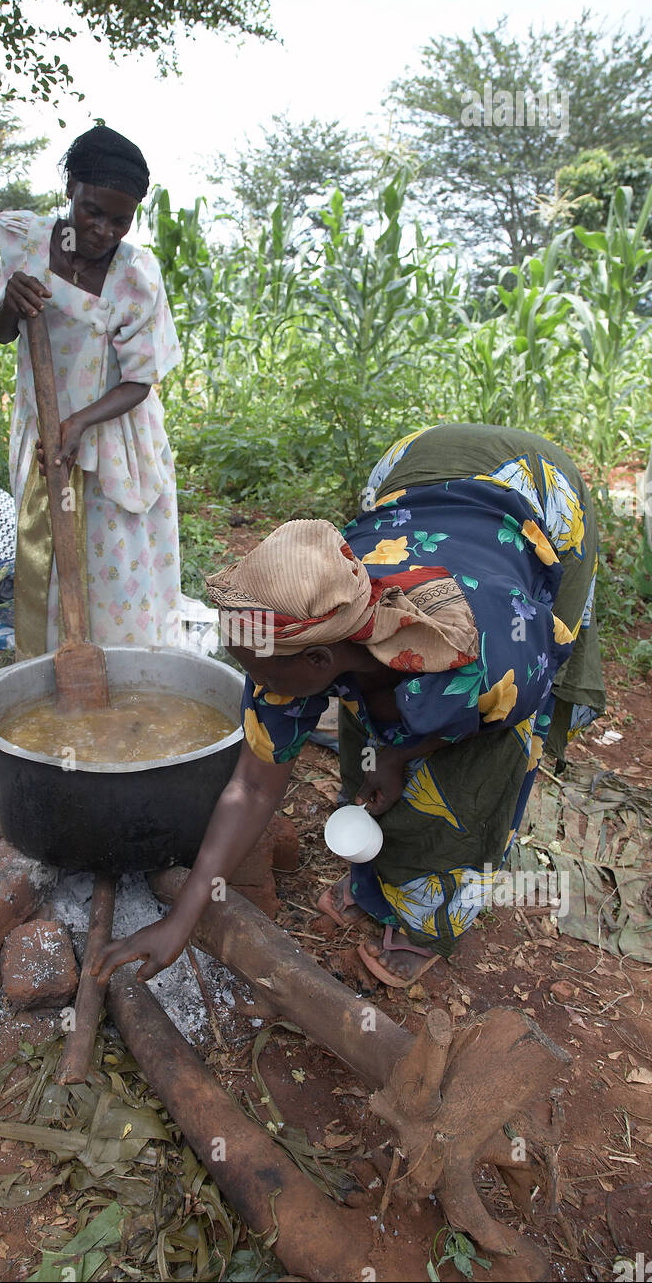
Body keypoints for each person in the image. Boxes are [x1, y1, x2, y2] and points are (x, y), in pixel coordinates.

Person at [93, 423, 606, 989]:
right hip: (414, 467)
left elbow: (493, 717)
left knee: (471, 778)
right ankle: (374, 882)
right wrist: (180, 918)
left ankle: (428, 917)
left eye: (258, 669)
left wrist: (415, 750)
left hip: (538, 494)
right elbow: (252, 785)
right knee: (373, 746)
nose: (255, 683)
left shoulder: (494, 657)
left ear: (317, 661)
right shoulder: (293, 626)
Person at [0, 125, 182, 657]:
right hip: (43, 423)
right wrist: (10, 302)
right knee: (53, 549)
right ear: (70, 187)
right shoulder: (27, 242)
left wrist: (79, 424)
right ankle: (55, 656)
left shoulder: (136, 274)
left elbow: (140, 380)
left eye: (122, 219)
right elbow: (3, 331)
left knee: (116, 556)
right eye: (93, 210)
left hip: (113, 430)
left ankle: (124, 660)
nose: (104, 230)